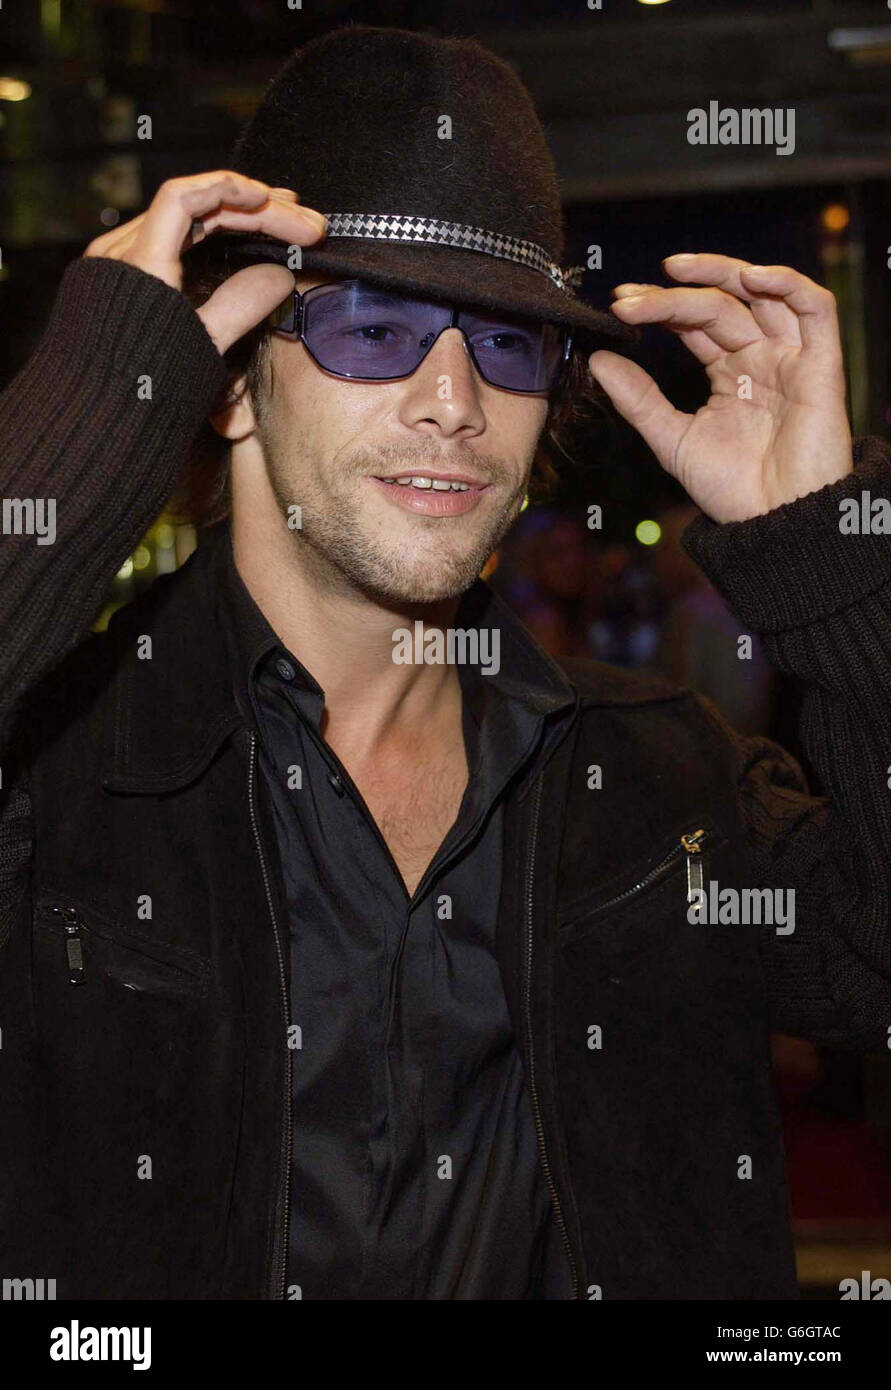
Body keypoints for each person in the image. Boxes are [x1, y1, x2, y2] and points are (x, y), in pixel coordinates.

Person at [1, 24, 889, 1302]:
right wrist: (93, 404)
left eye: (508, 343)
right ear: (232, 387)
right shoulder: (61, 782)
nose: (452, 399)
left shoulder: (654, 779)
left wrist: (834, 559)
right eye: (373, 327)